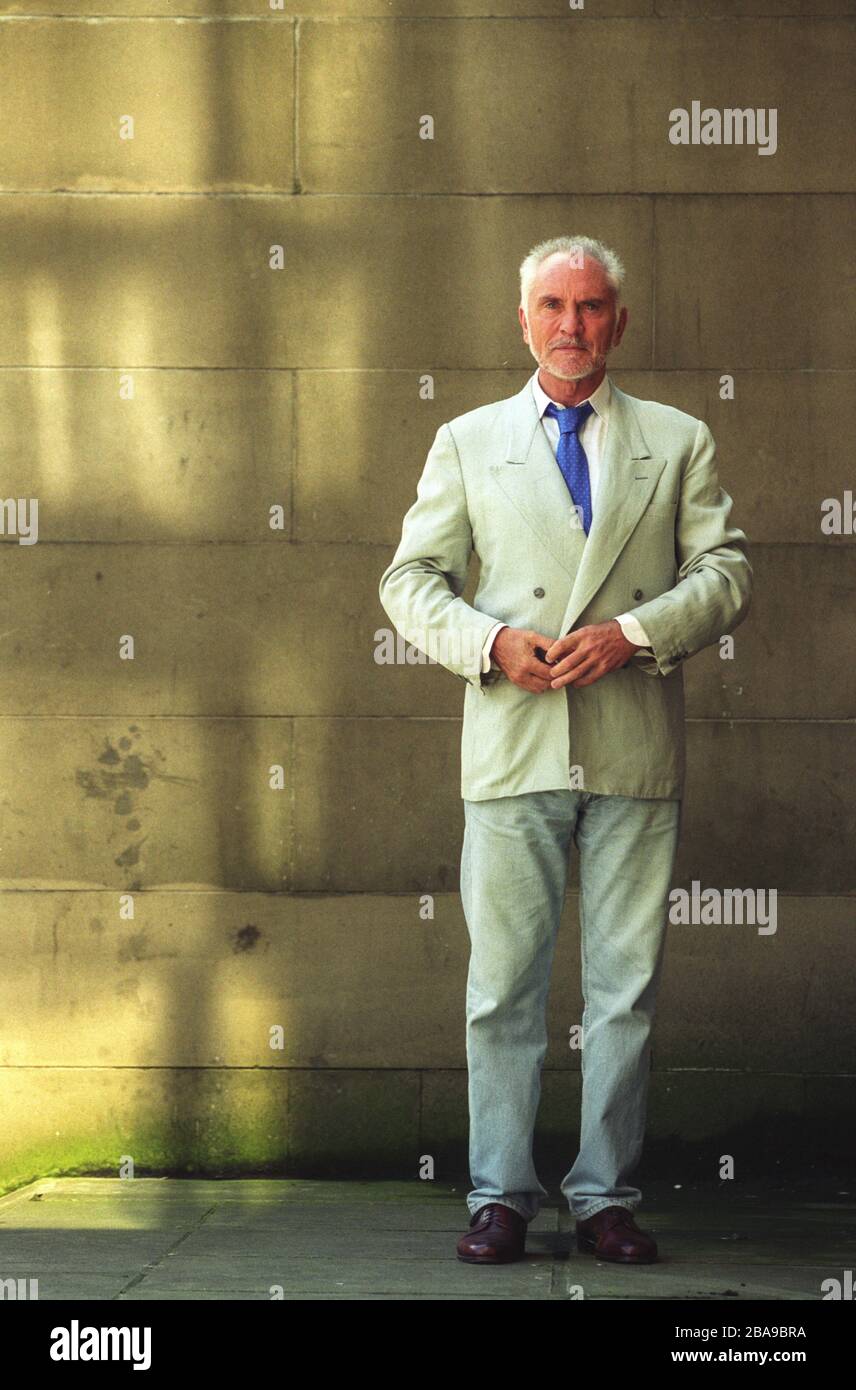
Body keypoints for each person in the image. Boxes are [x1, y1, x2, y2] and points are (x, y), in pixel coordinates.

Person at [378, 235, 752, 1265]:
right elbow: (408, 582)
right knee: (502, 985)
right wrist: (491, 642)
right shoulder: (467, 439)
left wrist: (630, 634)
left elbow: (725, 572)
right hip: (513, 741)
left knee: (623, 988)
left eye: (591, 308)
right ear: (523, 319)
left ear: (617, 322)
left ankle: (603, 1197)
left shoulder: (675, 438)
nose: (572, 326)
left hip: (631, 742)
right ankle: (499, 1194)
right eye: (552, 305)